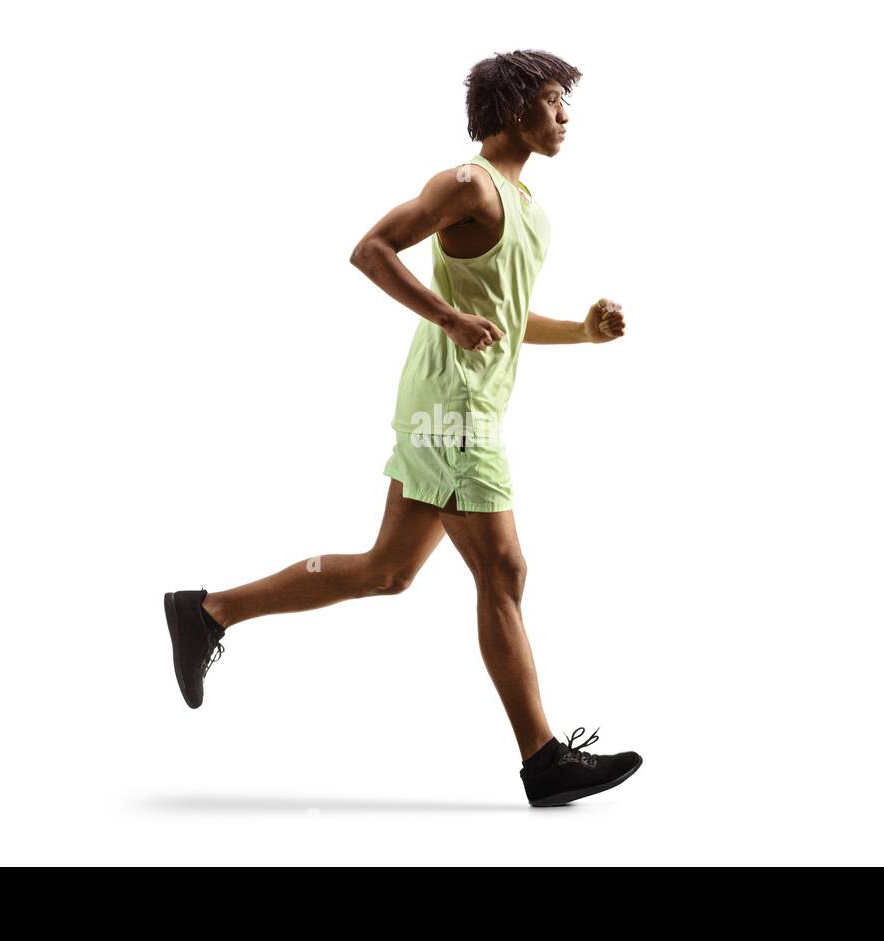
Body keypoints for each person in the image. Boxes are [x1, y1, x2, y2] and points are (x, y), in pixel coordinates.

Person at [164, 50, 641, 807]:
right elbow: (370, 250)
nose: (564, 117)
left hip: (463, 406)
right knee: (504, 571)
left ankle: (207, 611)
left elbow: (506, 325)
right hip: (451, 410)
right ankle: (543, 759)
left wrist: (582, 332)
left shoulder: (528, 208)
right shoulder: (465, 185)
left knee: (389, 569)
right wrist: (446, 316)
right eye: (553, 101)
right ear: (515, 107)